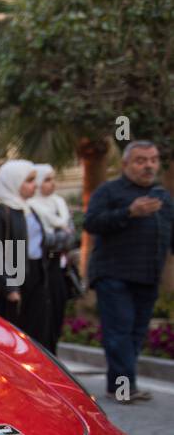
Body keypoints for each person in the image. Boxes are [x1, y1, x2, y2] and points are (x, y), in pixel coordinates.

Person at [84, 141, 174, 403]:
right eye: (141, 160)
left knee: (135, 333)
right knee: (119, 331)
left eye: (153, 160)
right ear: (125, 164)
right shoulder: (110, 191)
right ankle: (124, 388)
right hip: (114, 275)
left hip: (148, 276)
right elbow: (91, 223)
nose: (148, 165)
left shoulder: (163, 196)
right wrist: (128, 212)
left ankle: (120, 385)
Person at [0, 160, 52, 346]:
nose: (34, 185)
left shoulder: (30, 211)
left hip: (36, 276)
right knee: (11, 335)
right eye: (29, 180)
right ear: (14, 181)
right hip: (14, 279)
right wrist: (10, 286)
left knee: (36, 333)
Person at [29, 164, 76, 353]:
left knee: (56, 317)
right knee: (40, 321)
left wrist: (57, 237)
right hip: (40, 269)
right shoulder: (30, 207)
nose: (52, 184)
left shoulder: (59, 205)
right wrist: (60, 236)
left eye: (53, 179)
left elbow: (71, 238)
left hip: (58, 270)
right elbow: (41, 240)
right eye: (47, 180)